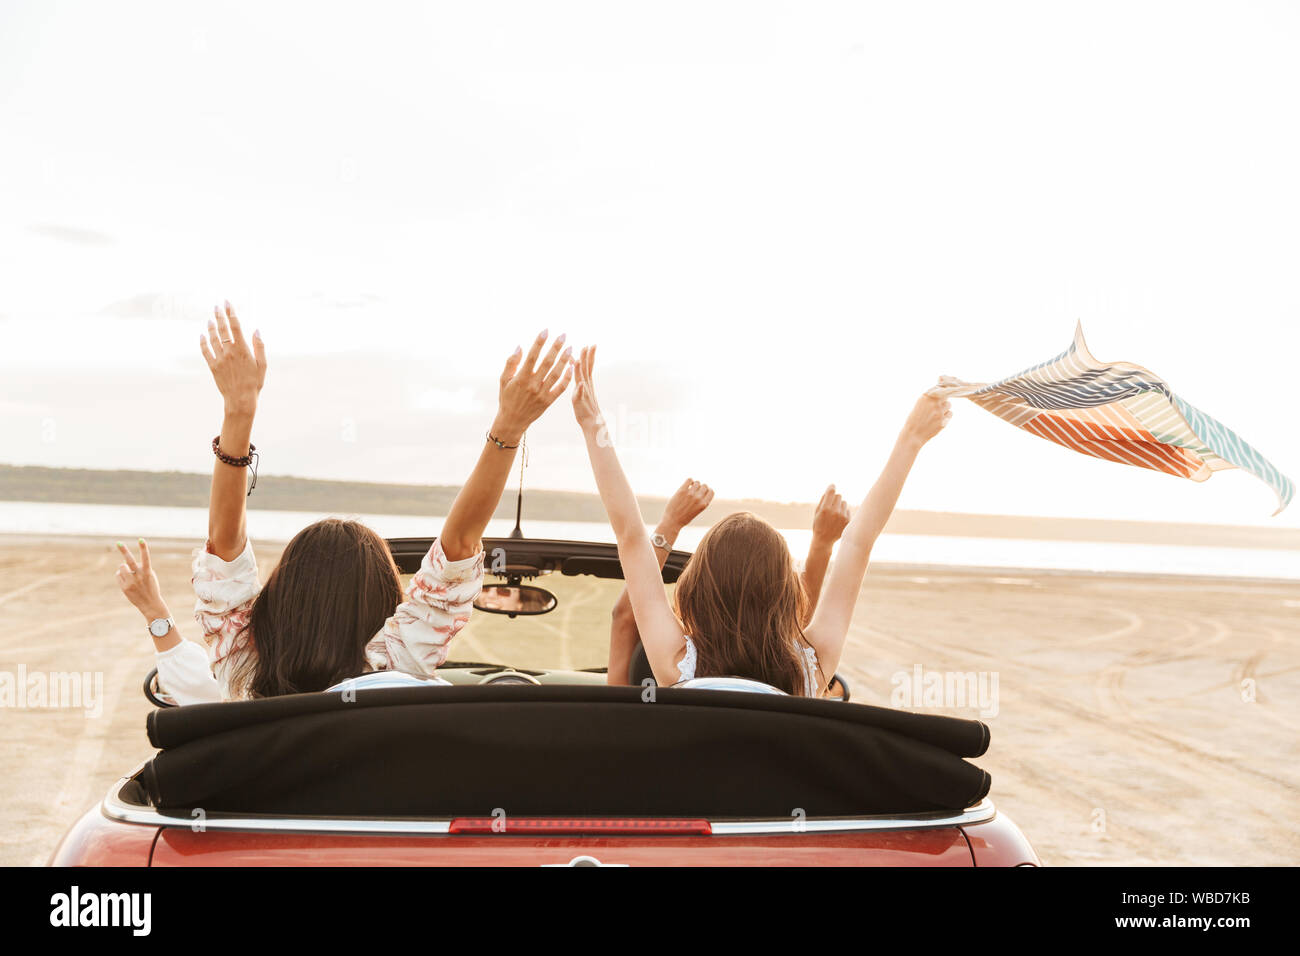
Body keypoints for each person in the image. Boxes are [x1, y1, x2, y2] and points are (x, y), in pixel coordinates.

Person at [114, 303, 572, 703]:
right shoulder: (399, 664)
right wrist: (508, 428)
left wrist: (239, 410)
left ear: (281, 596)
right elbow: (458, 544)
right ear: (382, 600)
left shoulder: (242, 667)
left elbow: (224, 545)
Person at [569, 345, 950, 696]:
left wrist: (593, 426)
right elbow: (857, 542)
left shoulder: (676, 665)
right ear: (786, 593)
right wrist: (911, 439)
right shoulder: (810, 671)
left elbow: (631, 537)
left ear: (697, 589)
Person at [604, 479, 852, 686]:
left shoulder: (674, 669)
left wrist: (670, 524)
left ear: (694, 591)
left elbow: (625, 617)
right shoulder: (798, 682)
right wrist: (822, 545)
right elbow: (794, 629)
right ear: (788, 601)